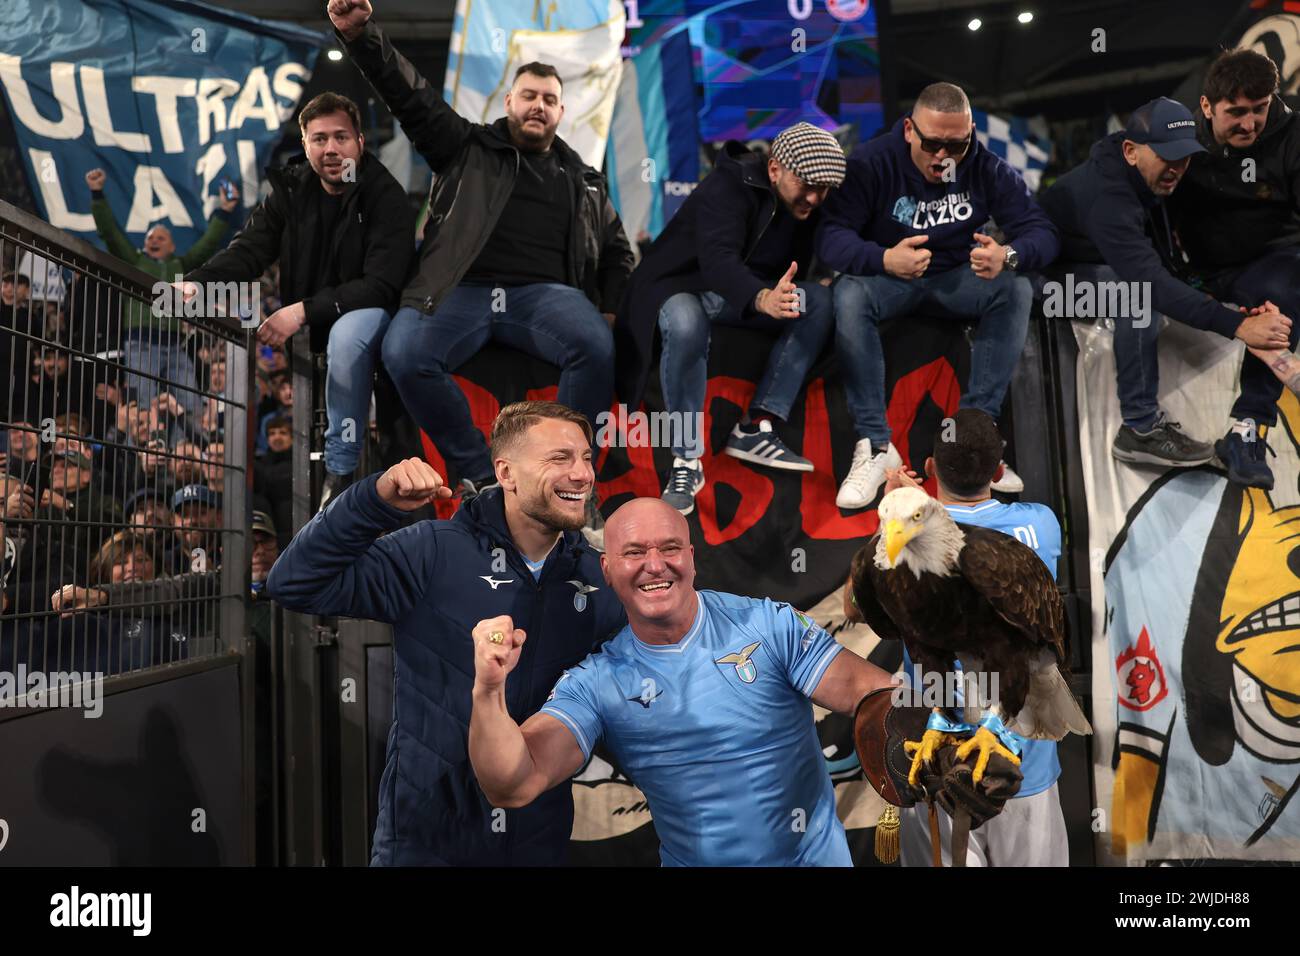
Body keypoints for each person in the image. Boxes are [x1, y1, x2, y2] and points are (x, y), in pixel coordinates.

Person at [266, 400, 626, 865]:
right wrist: (372, 500)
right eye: (560, 459)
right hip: (426, 842)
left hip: (539, 844)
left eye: (585, 459)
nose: (582, 474)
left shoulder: (597, 578)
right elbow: (293, 582)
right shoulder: (432, 551)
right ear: (506, 472)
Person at [328, 0, 634, 532]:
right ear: (509, 100)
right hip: (457, 289)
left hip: (545, 295)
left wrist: (608, 308)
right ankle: (481, 474)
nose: (539, 106)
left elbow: (617, 253)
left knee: (594, 345)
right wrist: (361, 34)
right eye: (530, 96)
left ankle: (574, 487)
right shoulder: (464, 145)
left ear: (562, 112)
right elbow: (409, 94)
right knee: (404, 351)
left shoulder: (584, 179)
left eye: (550, 100)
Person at [466, 496, 898, 866]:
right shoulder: (598, 681)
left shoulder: (766, 625)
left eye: (669, 548)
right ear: (608, 568)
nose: (655, 566)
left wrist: (924, 735)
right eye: (634, 552)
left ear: (691, 556)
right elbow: (513, 784)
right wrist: (488, 692)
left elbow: (872, 694)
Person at [817, 82, 1059, 509]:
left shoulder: (986, 166)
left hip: (956, 280)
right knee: (849, 294)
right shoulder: (872, 163)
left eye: (957, 145)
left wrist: (1008, 254)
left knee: (1016, 288)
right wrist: (883, 258)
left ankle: (977, 439)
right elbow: (831, 237)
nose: (943, 157)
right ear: (909, 129)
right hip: (891, 279)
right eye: (932, 144)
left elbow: (1042, 232)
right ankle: (875, 444)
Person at [847, 408, 1068, 866]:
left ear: (929, 468)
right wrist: (906, 513)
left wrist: (903, 508)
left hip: (983, 762)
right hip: (961, 762)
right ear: (1000, 472)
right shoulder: (1041, 522)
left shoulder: (971, 548)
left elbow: (851, 606)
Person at [185, 92, 414, 509]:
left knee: (348, 340)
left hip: (375, 316)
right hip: (314, 332)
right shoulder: (289, 192)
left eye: (341, 137)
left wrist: (301, 310)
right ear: (305, 145)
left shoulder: (386, 196)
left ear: (360, 142)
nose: (331, 148)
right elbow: (250, 249)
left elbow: (381, 285)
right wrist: (199, 283)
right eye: (319, 139)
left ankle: (340, 472)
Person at [1040, 96, 1292, 474]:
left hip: (1088, 265)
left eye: (1185, 157)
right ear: (1130, 150)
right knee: (1136, 294)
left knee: (1145, 285)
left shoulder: (1147, 176)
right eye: (1167, 156)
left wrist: (1231, 308)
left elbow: (1166, 266)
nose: (1178, 167)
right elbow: (1150, 281)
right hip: (1042, 285)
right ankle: (1139, 428)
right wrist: (1238, 327)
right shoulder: (1108, 196)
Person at [615, 123, 844, 515]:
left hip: (741, 294)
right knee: (686, 322)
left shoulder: (810, 203)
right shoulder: (728, 185)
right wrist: (760, 298)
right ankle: (686, 461)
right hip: (677, 286)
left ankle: (757, 424)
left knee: (819, 301)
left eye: (824, 188)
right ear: (775, 169)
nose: (814, 197)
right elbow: (718, 260)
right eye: (806, 184)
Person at [1167, 49, 1300, 489]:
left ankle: (1247, 427)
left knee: (1284, 286)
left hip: (1276, 262)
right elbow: (1151, 208)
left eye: (1259, 109)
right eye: (1236, 113)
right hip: (1203, 269)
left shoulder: (1295, 136)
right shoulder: (1179, 137)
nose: (1249, 124)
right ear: (1207, 107)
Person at [86, 166, 238, 418]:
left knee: (189, 404)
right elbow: (110, 233)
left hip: (174, 344)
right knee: (143, 406)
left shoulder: (180, 265)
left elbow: (208, 245)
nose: (154, 241)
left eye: (160, 237)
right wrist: (97, 194)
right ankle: (143, 456)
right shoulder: (134, 262)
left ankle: (185, 451)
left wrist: (224, 211)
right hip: (139, 343)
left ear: (173, 245)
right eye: (150, 238)